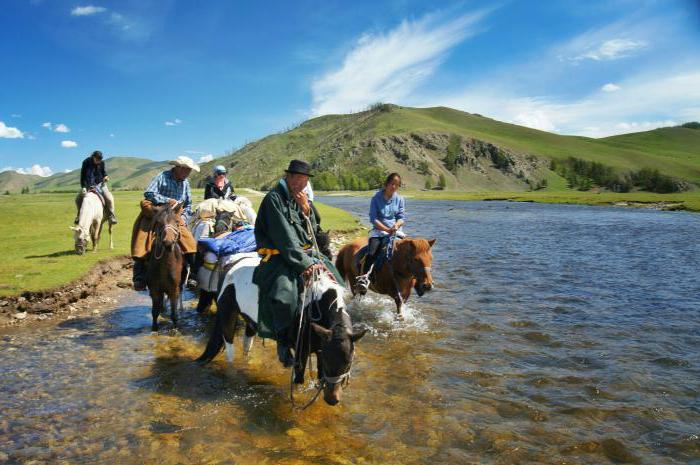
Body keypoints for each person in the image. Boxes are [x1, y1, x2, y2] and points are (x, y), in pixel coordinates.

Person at [253, 159, 340, 367]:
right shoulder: (274, 199)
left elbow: (313, 229)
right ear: (288, 177)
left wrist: (306, 210)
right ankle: (283, 340)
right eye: (297, 179)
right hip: (278, 255)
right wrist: (305, 264)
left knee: (335, 276)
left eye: (304, 180)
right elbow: (284, 238)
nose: (301, 184)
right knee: (285, 294)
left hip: (302, 252)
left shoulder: (297, 199)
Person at [130, 156, 199, 291]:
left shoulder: (186, 183)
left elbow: (189, 204)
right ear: (178, 168)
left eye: (189, 170)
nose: (188, 173)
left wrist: (183, 218)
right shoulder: (162, 176)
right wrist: (168, 201)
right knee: (142, 238)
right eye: (186, 170)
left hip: (175, 216)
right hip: (157, 213)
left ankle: (193, 276)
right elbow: (149, 193)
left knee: (190, 243)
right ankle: (139, 277)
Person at [356, 172, 406, 293]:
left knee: (408, 253)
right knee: (372, 252)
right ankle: (364, 278)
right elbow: (373, 219)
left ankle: (414, 281)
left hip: (395, 231)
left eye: (396, 185)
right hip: (378, 231)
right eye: (391, 184)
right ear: (386, 184)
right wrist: (386, 229)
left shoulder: (399, 199)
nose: (393, 187)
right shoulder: (376, 198)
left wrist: (396, 225)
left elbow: (401, 217)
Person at [75, 150, 117, 225]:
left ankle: (111, 216)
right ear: (93, 157)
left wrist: (106, 177)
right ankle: (79, 215)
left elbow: (104, 173)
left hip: (100, 184)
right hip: (88, 185)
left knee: (110, 198)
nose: (98, 161)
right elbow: (83, 176)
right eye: (97, 160)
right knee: (78, 199)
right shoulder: (86, 162)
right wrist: (84, 187)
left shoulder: (102, 163)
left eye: (100, 160)